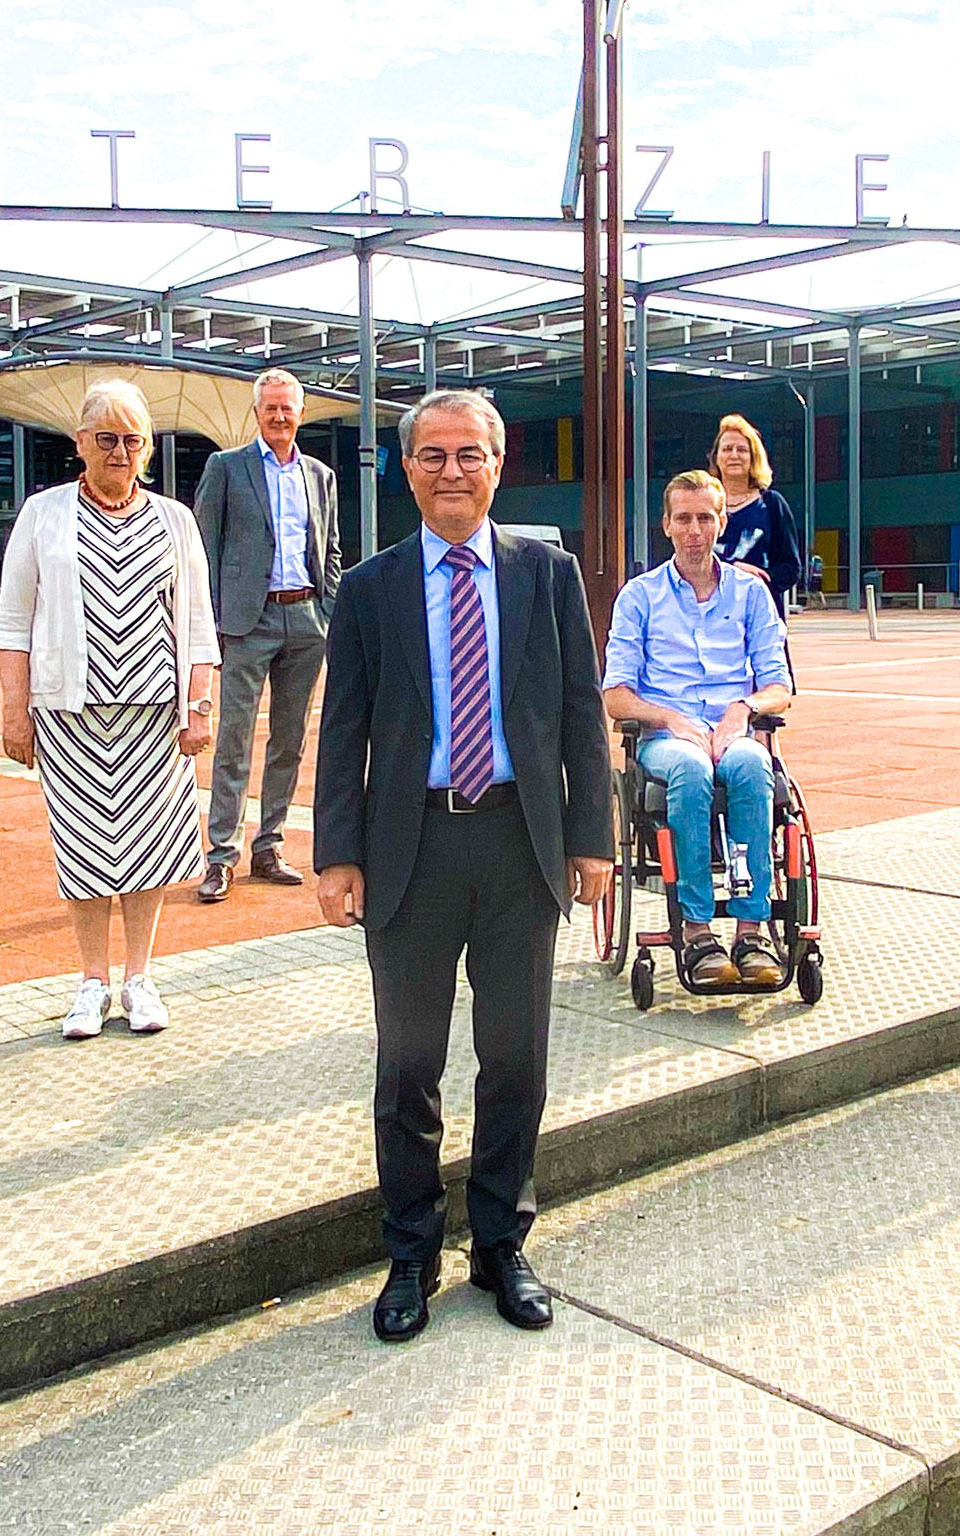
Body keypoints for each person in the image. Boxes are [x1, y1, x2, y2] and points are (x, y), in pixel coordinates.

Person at [314, 388, 613, 1344]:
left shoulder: (545, 574)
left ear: (496, 466)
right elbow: (345, 730)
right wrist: (336, 854)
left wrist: (593, 837)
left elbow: (577, 709)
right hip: (413, 849)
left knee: (516, 1056)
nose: (452, 470)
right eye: (433, 455)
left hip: (520, 844)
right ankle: (410, 1253)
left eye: (469, 454)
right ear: (408, 471)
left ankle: (499, 1245)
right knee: (408, 1065)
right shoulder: (370, 589)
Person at [0, 379, 220, 1040]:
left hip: (155, 715)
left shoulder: (175, 519)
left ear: (146, 447)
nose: (120, 452)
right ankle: (91, 982)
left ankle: (139, 979)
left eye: (132, 439)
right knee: (86, 849)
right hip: (71, 713)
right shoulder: (44, 513)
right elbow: (13, 622)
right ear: (80, 444)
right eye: (106, 438)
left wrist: (198, 708)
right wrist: (14, 711)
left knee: (149, 850)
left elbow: (199, 628)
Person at [603, 471, 793, 989]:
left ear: (721, 522)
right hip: (669, 739)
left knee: (754, 766)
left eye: (705, 518)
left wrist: (742, 709)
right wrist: (669, 719)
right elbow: (615, 694)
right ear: (666, 525)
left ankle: (752, 929)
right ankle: (697, 929)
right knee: (689, 770)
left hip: (733, 733)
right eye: (683, 518)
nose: (694, 530)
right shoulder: (639, 596)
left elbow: (780, 686)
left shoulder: (751, 593)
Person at [192, 368, 341, 901]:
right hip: (246, 622)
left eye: (288, 408)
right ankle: (221, 856)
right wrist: (206, 623)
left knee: (290, 741)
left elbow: (330, 549)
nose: (280, 416)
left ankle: (268, 845)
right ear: (256, 413)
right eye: (270, 408)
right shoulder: (226, 468)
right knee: (233, 740)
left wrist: (327, 609)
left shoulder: (320, 476)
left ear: (300, 413)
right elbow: (203, 549)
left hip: (304, 619)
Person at [708, 413, 803, 615]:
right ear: (716, 457)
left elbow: (790, 569)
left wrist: (756, 579)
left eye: (742, 450)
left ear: (753, 458)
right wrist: (733, 571)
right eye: (727, 449)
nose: (734, 455)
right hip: (710, 616)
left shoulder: (771, 505)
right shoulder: (704, 506)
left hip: (761, 615)